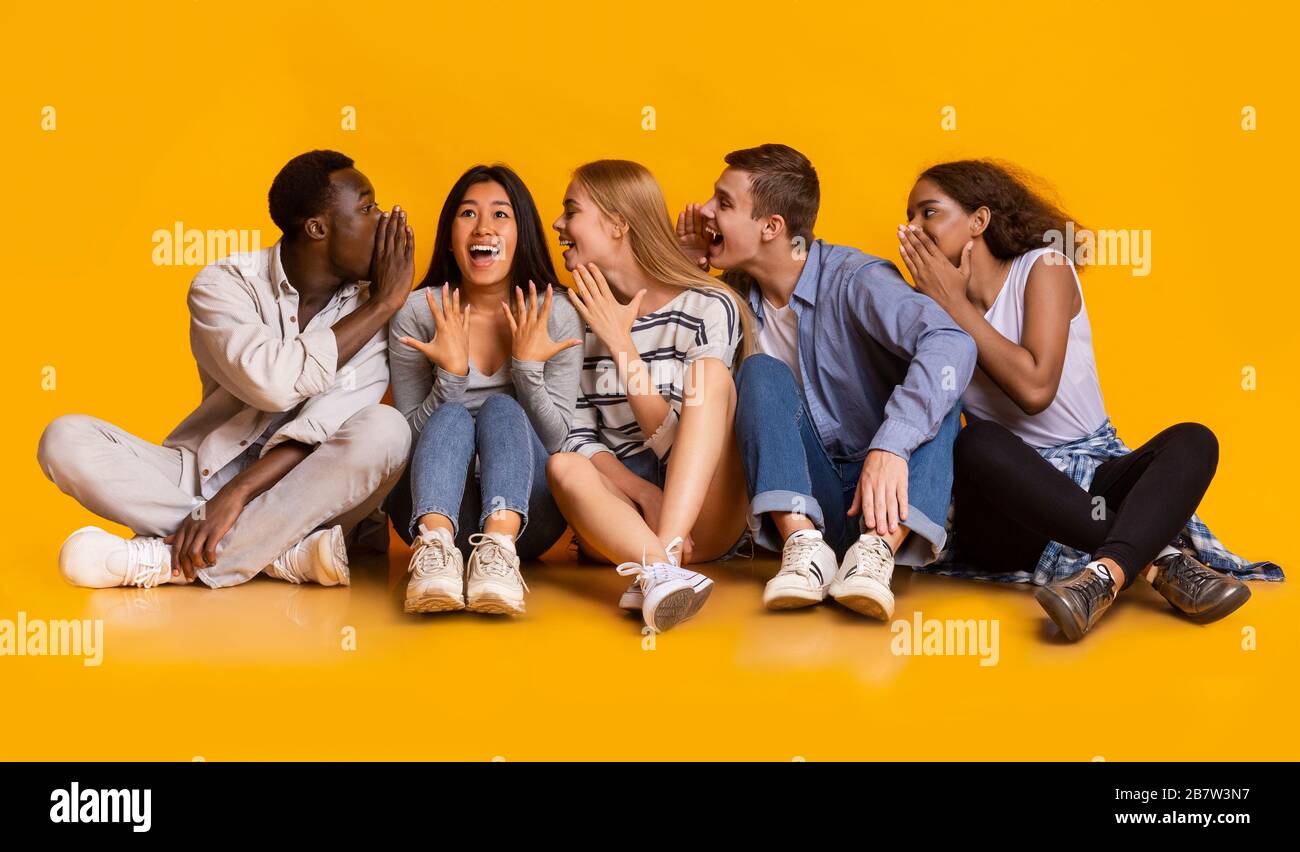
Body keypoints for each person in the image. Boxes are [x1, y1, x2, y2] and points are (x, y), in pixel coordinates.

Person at [897, 159, 1281, 640]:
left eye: (927, 212)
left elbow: (1036, 389)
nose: (910, 228)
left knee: (1193, 441)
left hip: (1090, 486)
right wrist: (941, 306)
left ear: (978, 220)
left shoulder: (1043, 268)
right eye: (909, 215)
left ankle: (1102, 577)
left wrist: (954, 304)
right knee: (978, 444)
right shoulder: (922, 308)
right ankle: (1156, 560)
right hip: (1012, 509)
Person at [38, 150, 413, 589]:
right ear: (317, 228)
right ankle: (275, 554)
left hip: (304, 488)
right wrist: (220, 497)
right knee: (64, 438)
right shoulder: (223, 285)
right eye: (368, 208)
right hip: (199, 476)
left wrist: (238, 495)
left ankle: (169, 560)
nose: (384, 219)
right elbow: (272, 384)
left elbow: (319, 427)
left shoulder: (378, 312)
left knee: (386, 430)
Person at [677, 143, 974, 620]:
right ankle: (804, 550)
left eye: (724, 203)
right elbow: (679, 388)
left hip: (883, 499)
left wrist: (891, 446)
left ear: (772, 227)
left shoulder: (854, 278)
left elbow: (952, 342)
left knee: (941, 391)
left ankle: (874, 558)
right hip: (804, 505)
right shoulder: (725, 297)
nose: (705, 211)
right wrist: (688, 275)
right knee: (759, 372)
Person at [545, 159, 752, 633]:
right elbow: (576, 435)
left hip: (706, 514)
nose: (558, 224)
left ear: (618, 224)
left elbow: (685, 445)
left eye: (571, 211)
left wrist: (622, 347)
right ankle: (660, 569)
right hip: (624, 518)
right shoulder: (571, 319)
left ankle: (667, 555)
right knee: (562, 465)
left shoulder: (707, 305)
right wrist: (643, 493)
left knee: (711, 378)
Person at [388, 165, 582, 615]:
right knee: (452, 417)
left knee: (501, 408)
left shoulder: (556, 312)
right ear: (451, 235)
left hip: (528, 520)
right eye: (468, 214)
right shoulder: (420, 313)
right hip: (428, 512)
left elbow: (555, 442)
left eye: (501, 215)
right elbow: (405, 442)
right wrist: (451, 377)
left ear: (522, 233)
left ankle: (497, 551)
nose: (484, 228)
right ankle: (435, 559)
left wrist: (527, 368)